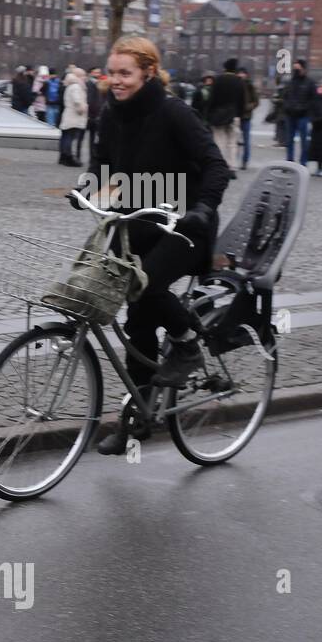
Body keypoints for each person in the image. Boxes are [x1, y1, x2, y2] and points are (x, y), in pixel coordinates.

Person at [80, 37, 230, 454]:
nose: (116, 80)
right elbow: (103, 163)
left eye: (125, 73)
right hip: (137, 224)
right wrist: (87, 190)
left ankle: (185, 343)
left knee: (144, 284)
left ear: (148, 72)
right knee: (137, 320)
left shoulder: (174, 113)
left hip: (185, 225)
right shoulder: (112, 114)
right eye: (112, 72)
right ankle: (140, 414)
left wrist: (202, 208)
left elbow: (217, 165)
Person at [206, 57, 246, 176]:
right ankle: (232, 167)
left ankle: (219, 166)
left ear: (225, 68)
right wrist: (240, 115)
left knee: (219, 141)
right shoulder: (239, 82)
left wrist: (209, 114)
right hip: (234, 115)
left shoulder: (218, 80)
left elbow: (212, 99)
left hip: (218, 115)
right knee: (232, 142)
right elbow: (242, 101)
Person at [281, 59, 317, 166]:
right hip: (290, 114)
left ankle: (303, 163)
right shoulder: (290, 81)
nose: (296, 70)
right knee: (289, 140)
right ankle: (289, 161)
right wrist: (287, 107)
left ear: (303, 69)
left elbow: (314, 99)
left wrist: (305, 108)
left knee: (304, 140)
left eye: (298, 68)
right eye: (294, 68)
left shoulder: (310, 82)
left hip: (303, 115)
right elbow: (285, 96)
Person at [58, 66, 88, 167]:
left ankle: (63, 157)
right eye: (83, 75)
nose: (85, 77)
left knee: (66, 136)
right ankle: (69, 157)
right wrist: (83, 108)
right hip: (74, 115)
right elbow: (77, 100)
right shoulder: (76, 86)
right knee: (70, 138)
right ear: (78, 76)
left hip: (69, 114)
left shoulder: (70, 85)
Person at [237, 66, 259, 171]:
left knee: (246, 140)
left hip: (246, 117)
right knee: (233, 140)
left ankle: (244, 161)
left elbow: (256, 102)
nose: (241, 75)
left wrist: (248, 107)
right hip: (235, 116)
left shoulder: (250, 85)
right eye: (239, 73)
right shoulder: (234, 84)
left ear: (246, 74)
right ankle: (232, 161)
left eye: (243, 73)